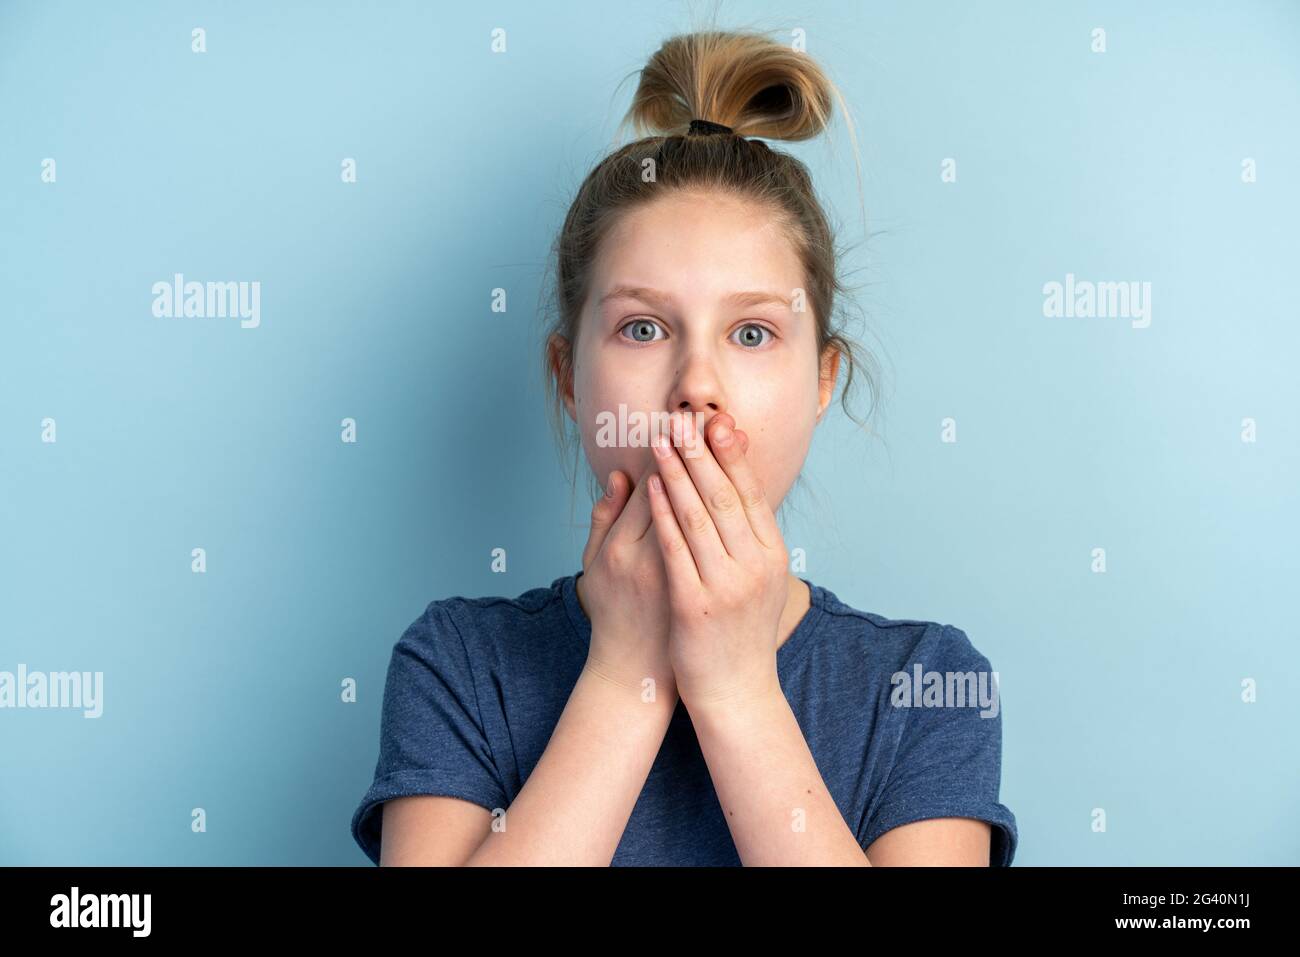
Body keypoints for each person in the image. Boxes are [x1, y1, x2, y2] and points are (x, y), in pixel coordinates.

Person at [351, 27, 1017, 866]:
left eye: (751, 331)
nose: (696, 383)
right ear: (568, 375)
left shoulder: (925, 685)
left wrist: (736, 686)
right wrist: (623, 673)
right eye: (642, 326)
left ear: (821, 379)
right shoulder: (457, 664)